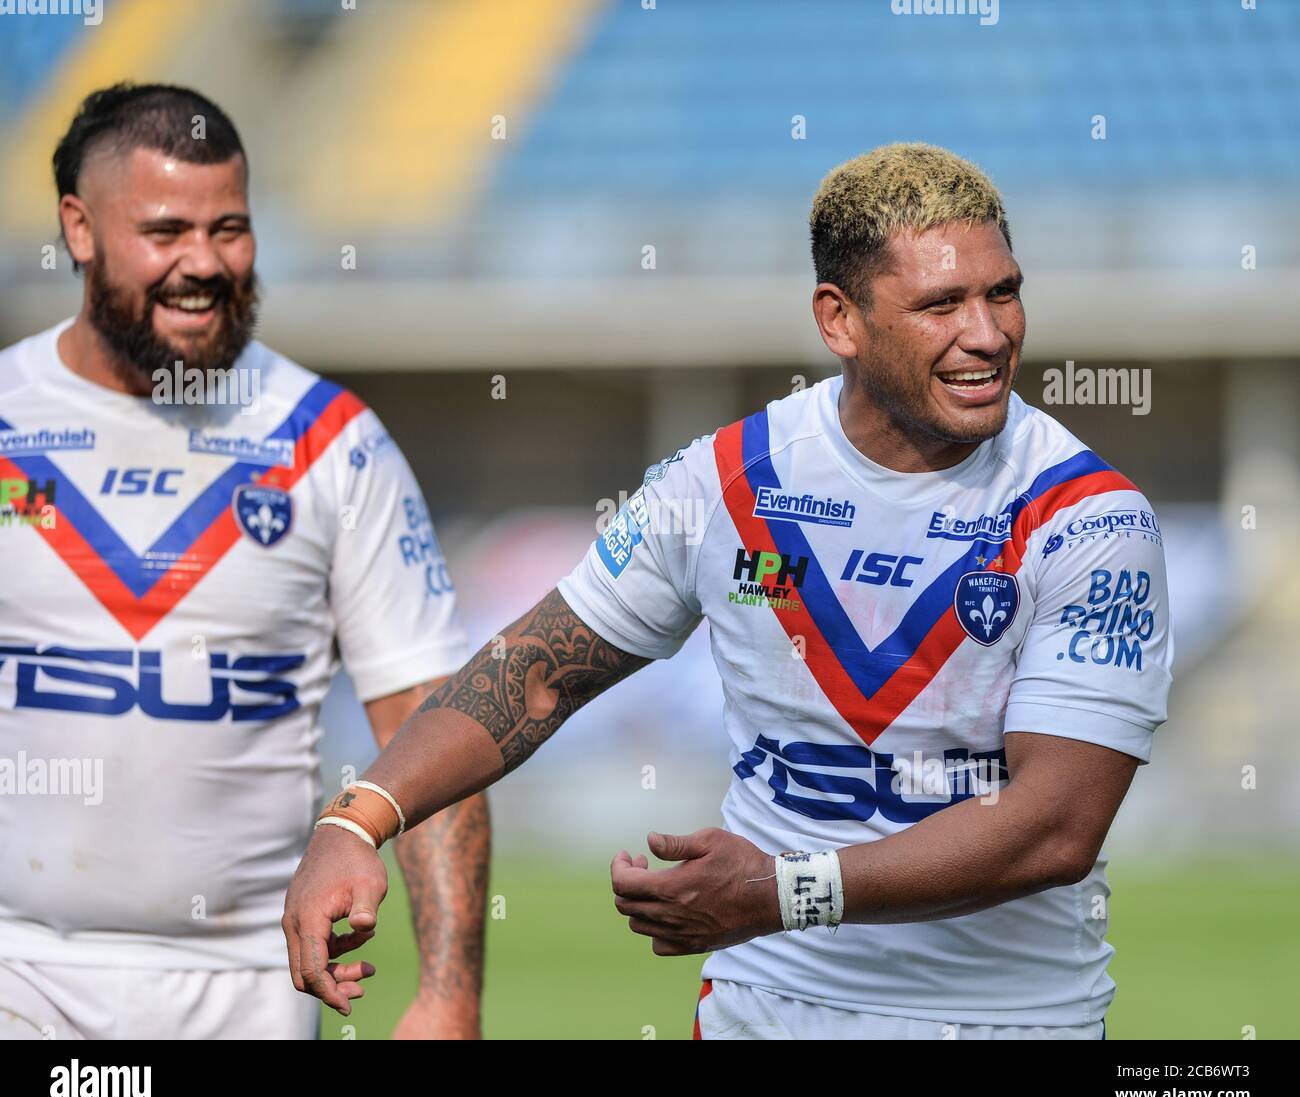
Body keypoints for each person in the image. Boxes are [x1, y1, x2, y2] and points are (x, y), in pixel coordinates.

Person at [282, 142, 1172, 1040]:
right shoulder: (723, 482)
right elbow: (538, 670)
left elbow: (1055, 827)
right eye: (940, 304)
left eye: (1004, 292)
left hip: (1009, 1022)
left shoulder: (1091, 519)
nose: (986, 333)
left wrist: (778, 891)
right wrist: (357, 821)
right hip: (764, 1011)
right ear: (840, 319)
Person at [0, 83, 488, 1040]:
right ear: (80, 227)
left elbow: (435, 731)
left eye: (230, 228)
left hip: (247, 985)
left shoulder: (332, 442)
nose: (204, 264)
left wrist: (448, 991)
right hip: (21, 968)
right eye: (167, 230)